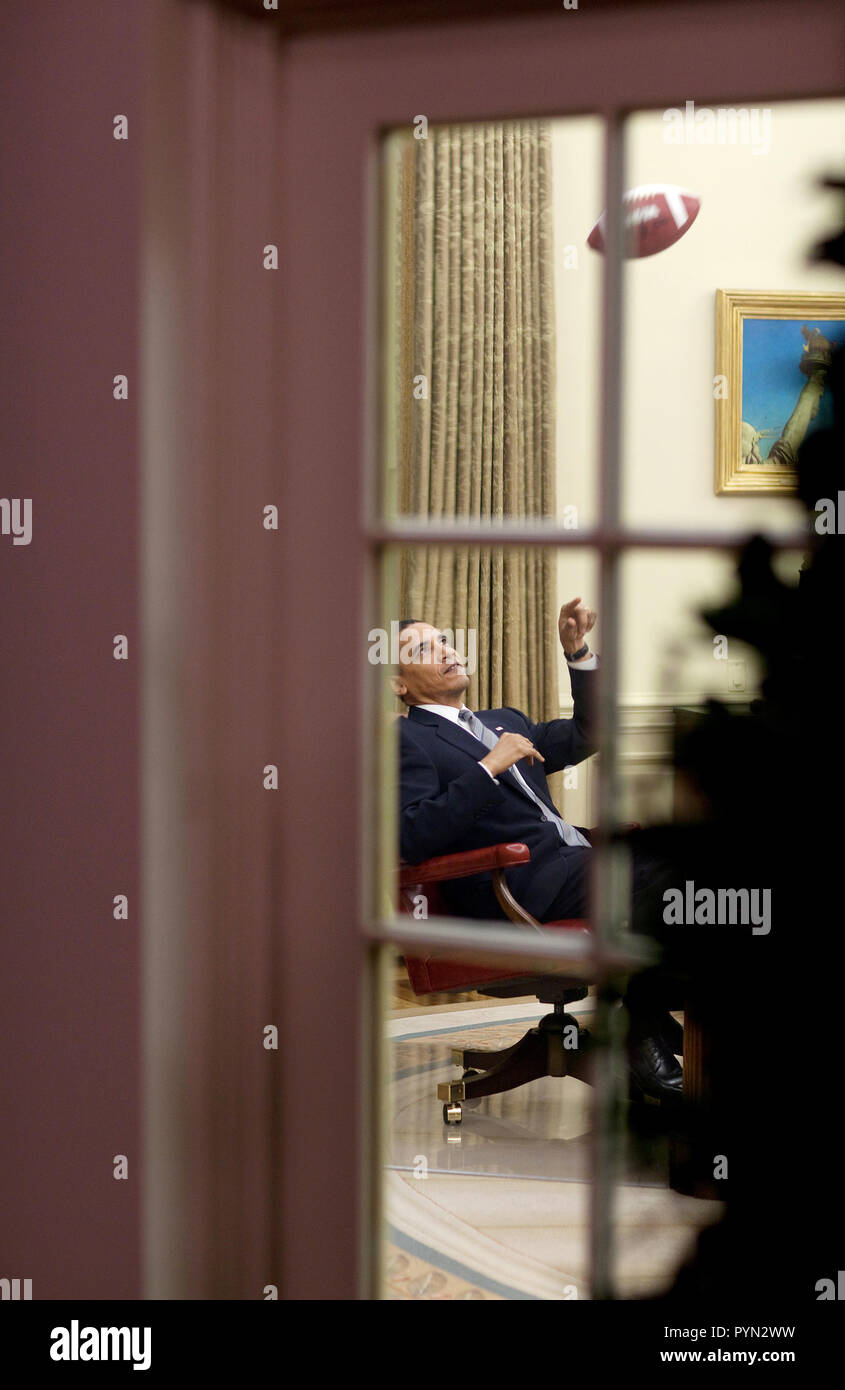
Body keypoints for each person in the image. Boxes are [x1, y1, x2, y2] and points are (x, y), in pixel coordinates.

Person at [393, 600, 683, 1103]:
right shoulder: (407, 739)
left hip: (570, 861)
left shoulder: (504, 720)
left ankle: (649, 1019)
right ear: (398, 684)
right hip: (515, 886)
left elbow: (589, 733)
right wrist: (487, 767)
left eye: (444, 639)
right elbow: (411, 836)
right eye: (424, 647)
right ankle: (641, 1027)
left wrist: (578, 653)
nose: (446, 649)